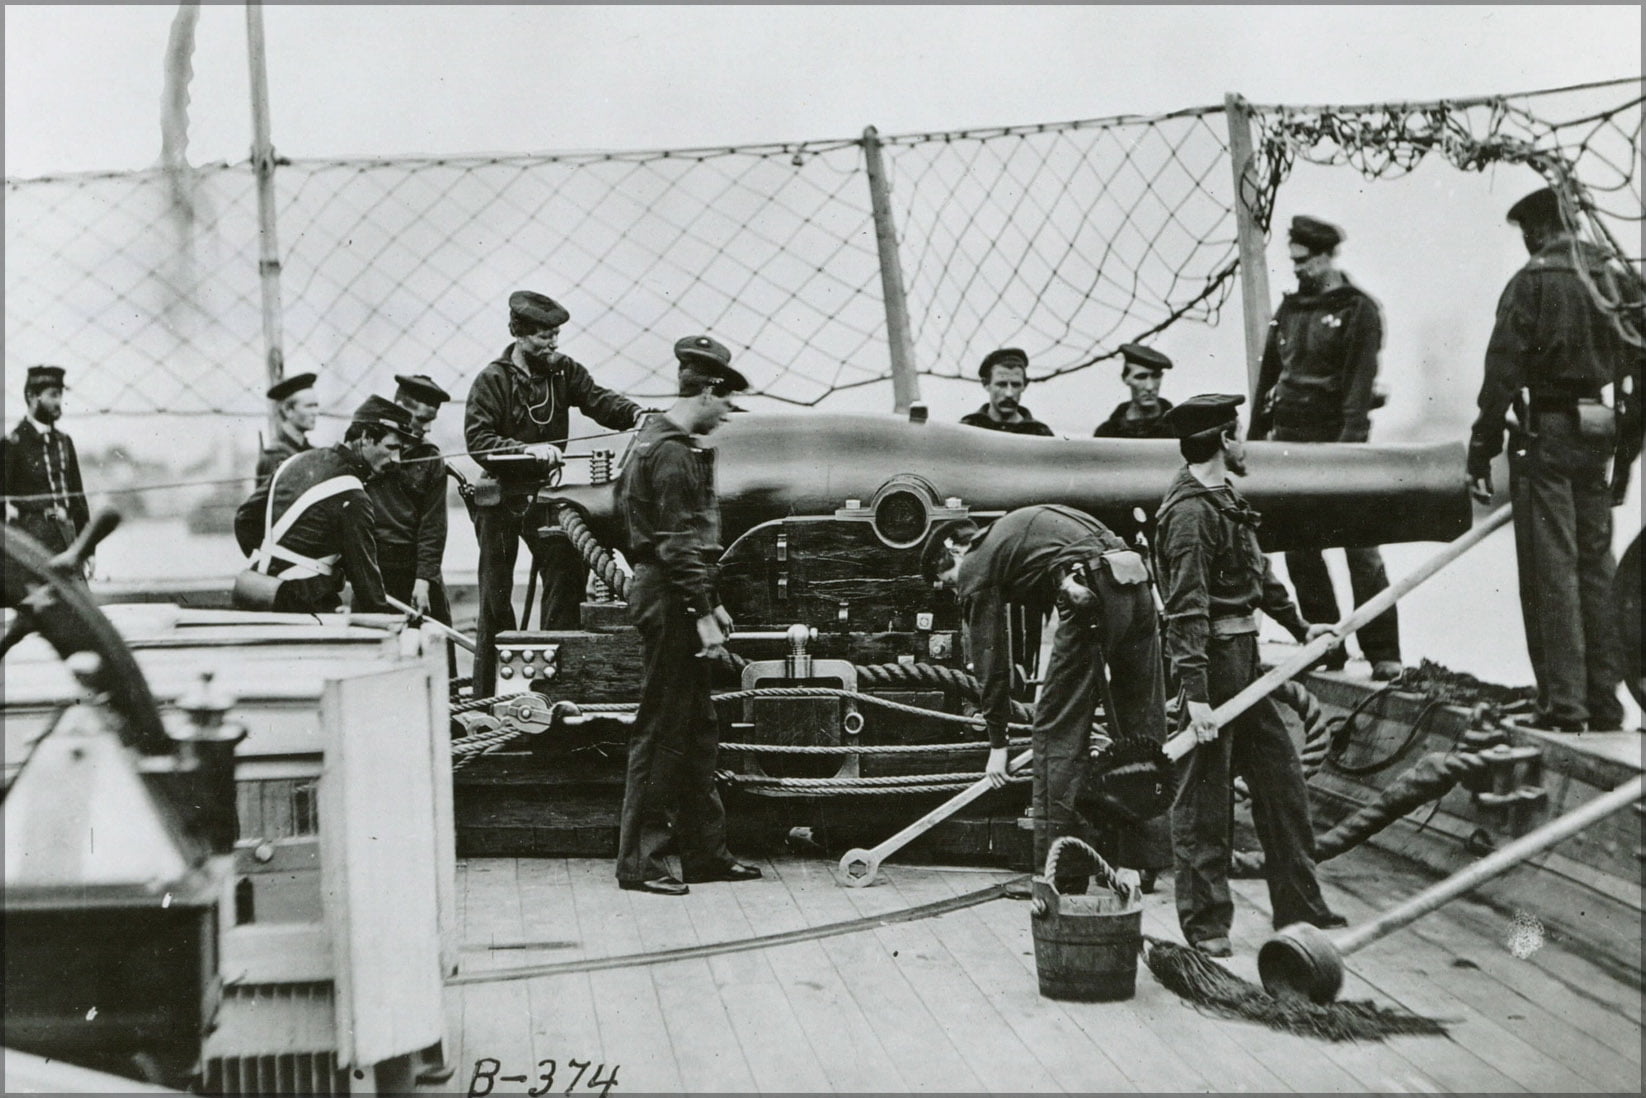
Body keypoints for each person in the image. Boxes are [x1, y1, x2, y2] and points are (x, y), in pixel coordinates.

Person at [1154, 393, 1343, 957]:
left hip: (1244, 661)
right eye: (1239, 434)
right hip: (1211, 666)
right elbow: (1186, 612)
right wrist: (1195, 698)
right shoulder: (1189, 515)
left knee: (1282, 782)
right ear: (1221, 441)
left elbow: (1259, 572)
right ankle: (1206, 924)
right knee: (1204, 801)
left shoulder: (1227, 498)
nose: (1246, 445)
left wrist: (1300, 626)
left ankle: (1300, 906)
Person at [922, 504, 1170, 890]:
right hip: (1134, 583)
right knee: (1141, 723)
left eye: (951, 583)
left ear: (954, 551)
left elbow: (991, 661)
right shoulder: (1015, 533)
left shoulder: (976, 561)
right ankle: (1141, 862)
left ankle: (1064, 874)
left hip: (1092, 589)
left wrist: (998, 744)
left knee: (1056, 734)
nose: (959, 590)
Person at [1467, 186, 1627, 733]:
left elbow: (1501, 376)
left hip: (1549, 433)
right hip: (1599, 433)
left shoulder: (1530, 283)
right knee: (1597, 567)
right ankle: (1605, 703)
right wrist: (1627, 456)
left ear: (1537, 229)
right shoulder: (1614, 280)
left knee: (1551, 570)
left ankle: (1564, 706)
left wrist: (1481, 451)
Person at [614, 335, 762, 896]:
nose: (727, 414)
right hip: (671, 597)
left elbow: (689, 541)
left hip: (679, 591)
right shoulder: (671, 452)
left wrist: (712, 599)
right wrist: (702, 611)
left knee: (698, 729)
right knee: (661, 731)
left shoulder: (664, 443)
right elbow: (675, 542)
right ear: (706, 392)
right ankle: (640, 862)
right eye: (725, 402)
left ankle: (704, 852)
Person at [465, 290, 642, 694]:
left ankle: (554, 686)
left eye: (556, 335)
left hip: (545, 497)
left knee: (566, 577)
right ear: (520, 333)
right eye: (545, 336)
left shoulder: (564, 372)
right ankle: (488, 692)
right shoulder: (492, 380)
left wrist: (634, 413)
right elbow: (478, 440)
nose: (553, 344)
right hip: (500, 501)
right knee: (495, 597)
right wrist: (526, 451)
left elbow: (597, 399)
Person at [1250, 215, 1402, 680]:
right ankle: (1324, 646)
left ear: (1325, 256)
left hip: (1337, 443)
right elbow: (1269, 381)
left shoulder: (1358, 310)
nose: (1297, 269)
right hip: (1289, 444)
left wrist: (1347, 455)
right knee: (1300, 548)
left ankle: (1383, 651)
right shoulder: (1289, 310)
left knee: (1360, 548)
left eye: (1304, 261)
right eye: (1293, 261)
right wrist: (1254, 445)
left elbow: (1358, 390)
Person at [234, 395, 419, 615]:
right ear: (365, 437)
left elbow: (245, 519)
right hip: (304, 603)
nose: (397, 459)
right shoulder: (354, 495)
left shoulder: (297, 461)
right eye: (391, 447)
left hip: (255, 589)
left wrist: (274, 560)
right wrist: (384, 620)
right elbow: (364, 577)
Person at [369, 373, 455, 626]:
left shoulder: (430, 457)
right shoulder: (369, 448)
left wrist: (424, 579)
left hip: (415, 570)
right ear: (400, 408)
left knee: (436, 637)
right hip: (373, 567)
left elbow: (434, 526)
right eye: (422, 420)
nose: (427, 429)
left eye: (431, 421)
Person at [3, 365, 90, 563]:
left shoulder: (64, 442)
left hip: (68, 544)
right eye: (53, 395)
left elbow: (78, 500)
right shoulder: (12, 444)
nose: (59, 402)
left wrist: (88, 551)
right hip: (29, 546)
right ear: (32, 396)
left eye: (60, 395)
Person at [959, 348, 1055, 435]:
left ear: (1025, 385)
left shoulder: (1039, 433)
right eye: (1001, 384)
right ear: (986, 384)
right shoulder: (968, 428)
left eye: (1016, 385)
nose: (1009, 393)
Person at [1092, 343, 1176, 438]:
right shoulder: (1107, 432)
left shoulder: (1178, 427)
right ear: (1125, 378)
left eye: (1156, 376)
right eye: (1141, 377)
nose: (1150, 387)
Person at [255, 372, 320, 489]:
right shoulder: (274, 457)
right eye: (309, 406)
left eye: (316, 406)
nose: (315, 412)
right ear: (287, 410)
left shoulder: (313, 452)